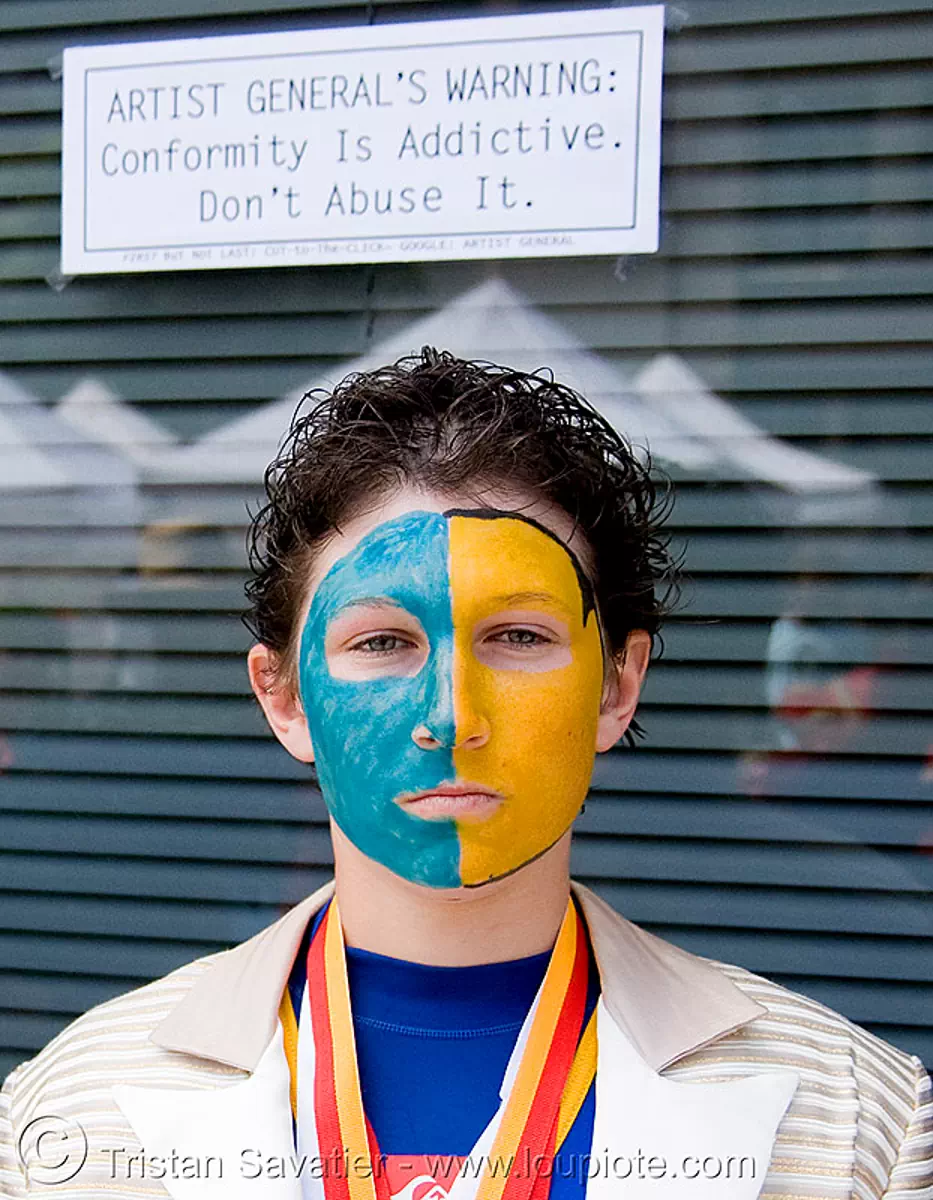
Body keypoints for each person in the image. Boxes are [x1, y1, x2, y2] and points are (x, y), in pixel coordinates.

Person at [1, 350, 929, 1200]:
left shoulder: (859, 1125)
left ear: (617, 686)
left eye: (518, 637)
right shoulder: (69, 1115)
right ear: (284, 701)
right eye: (381, 642)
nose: (450, 715)